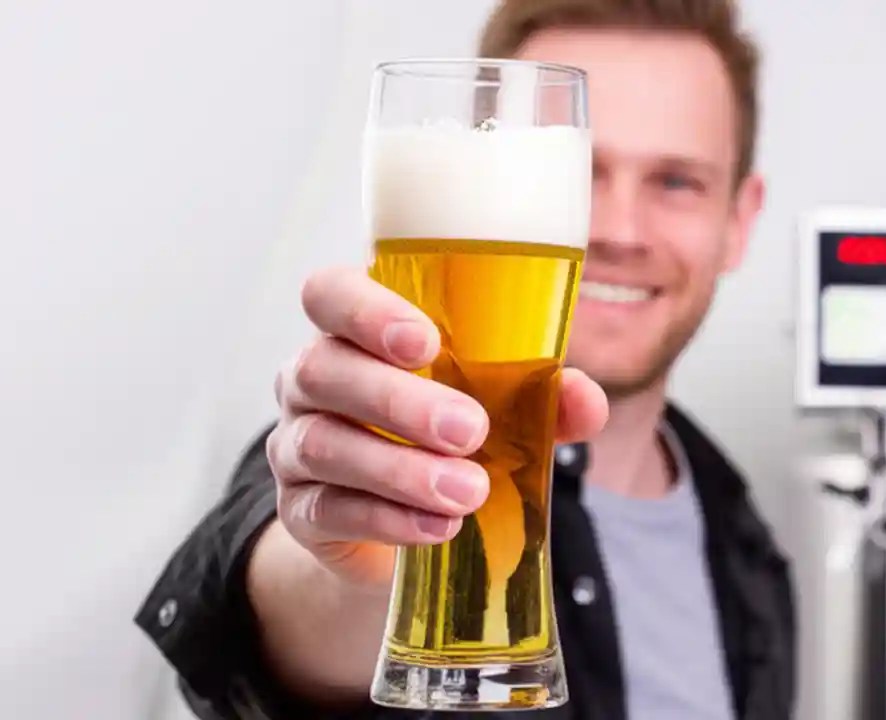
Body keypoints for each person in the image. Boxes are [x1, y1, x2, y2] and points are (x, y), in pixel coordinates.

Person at [135, 1, 796, 718]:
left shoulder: (740, 531)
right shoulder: (368, 454)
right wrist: (354, 579)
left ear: (739, 220)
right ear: (478, 176)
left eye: (675, 182)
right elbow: (291, 607)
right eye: (580, 166)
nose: (616, 230)